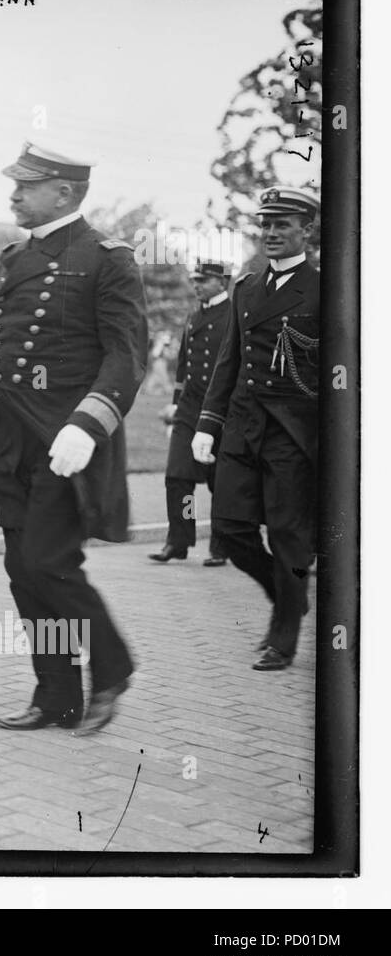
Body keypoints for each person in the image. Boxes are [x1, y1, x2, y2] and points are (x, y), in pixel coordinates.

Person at [0, 142, 145, 735]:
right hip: (14, 441)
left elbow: (126, 358)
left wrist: (88, 424)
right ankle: (57, 697)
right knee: (23, 573)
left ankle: (113, 667)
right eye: (15, 185)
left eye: (26, 186)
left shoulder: (108, 259)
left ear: (65, 193)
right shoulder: (15, 259)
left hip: (65, 441)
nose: (13, 195)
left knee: (49, 563)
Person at [192, 188, 320, 671]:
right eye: (265, 224)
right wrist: (208, 424)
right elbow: (229, 363)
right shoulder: (245, 288)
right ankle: (289, 597)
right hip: (243, 430)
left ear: (306, 230)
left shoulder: (325, 287)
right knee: (230, 528)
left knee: (288, 536)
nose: (270, 233)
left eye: (282, 224)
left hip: (292, 433)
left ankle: (282, 637)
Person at [150, 261, 232, 566]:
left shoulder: (235, 316)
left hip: (222, 411)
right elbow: (184, 367)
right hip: (189, 409)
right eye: (195, 279)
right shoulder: (193, 317)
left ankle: (221, 545)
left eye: (204, 280)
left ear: (223, 282)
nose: (196, 284)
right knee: (177, 476)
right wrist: (175, 403)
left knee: (220, 482)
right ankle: (179, 540)